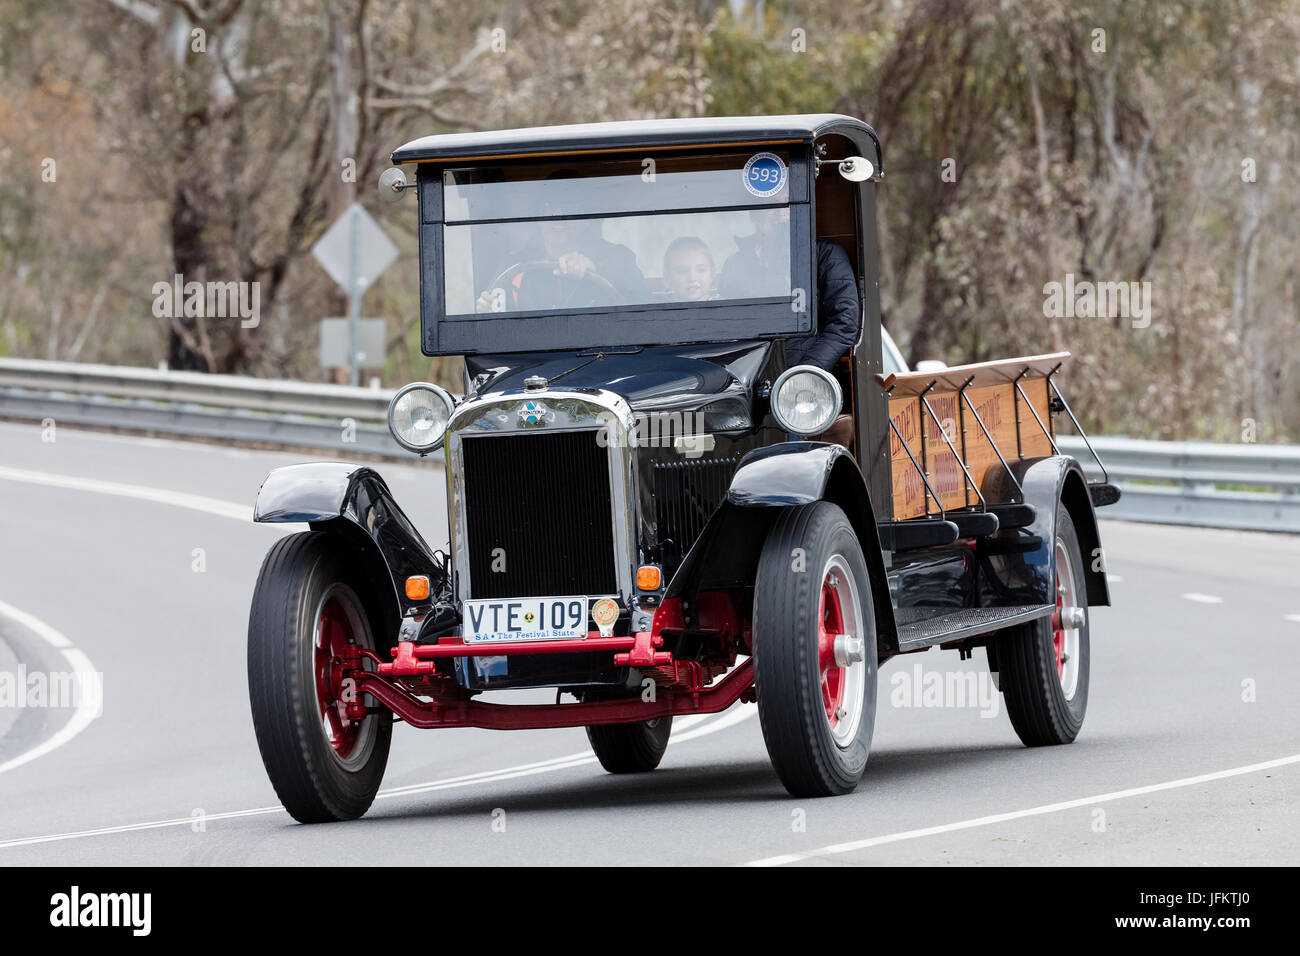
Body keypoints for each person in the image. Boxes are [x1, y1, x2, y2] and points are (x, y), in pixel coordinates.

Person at [718, 199, 859, 446]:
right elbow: (727, 322)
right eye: (773, 207)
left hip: (806, 388)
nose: (782, 214)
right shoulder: (736, 264)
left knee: (788, 441)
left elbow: (844, 323)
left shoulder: (826, 256)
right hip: (747, 380)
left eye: (789, 206)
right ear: (755, 216)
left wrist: (803, 374)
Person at [476, 170, 647, 312]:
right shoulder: (513, 266)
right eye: (548, 208)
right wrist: (486, 310)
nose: (558, 218)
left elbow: (644, 310)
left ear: (586, 220)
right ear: (538, 218)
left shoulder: (618, 259)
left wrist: (597, 269)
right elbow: (498, 318)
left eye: (570, 210)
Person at [662, 236, 720, 301]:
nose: (692, 278)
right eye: (682, 271)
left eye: (701, 270)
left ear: (712, 274)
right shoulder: (663, 306)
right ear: (668, 278)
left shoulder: (724, 305)